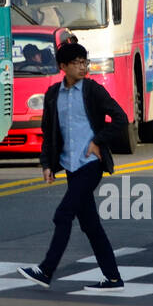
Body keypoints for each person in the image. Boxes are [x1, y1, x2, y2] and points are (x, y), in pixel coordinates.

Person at [18, 39, 129, 291]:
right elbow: (49, 132)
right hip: (70, 166)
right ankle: (113, 278)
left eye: (84, 62)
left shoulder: (93, 91)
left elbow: (121, 118)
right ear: (63, 66)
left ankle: (46, 271)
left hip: (91, 164)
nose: (83, 67)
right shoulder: (53, 95)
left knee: (63, 214)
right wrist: (47, 163)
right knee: (90, 225)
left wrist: (98, 141)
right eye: (77, 63)